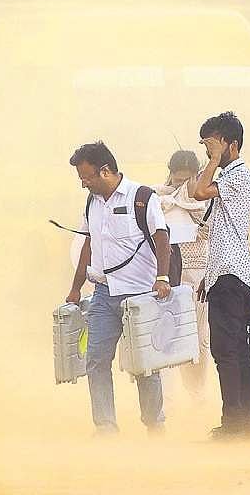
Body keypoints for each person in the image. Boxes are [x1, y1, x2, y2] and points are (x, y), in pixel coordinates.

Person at [65, 141, 171, 436]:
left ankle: (154, 424)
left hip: (140, 295)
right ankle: (106, 427)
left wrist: (162, 278)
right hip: (102, 294)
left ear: (106, 171)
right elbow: (88, 244)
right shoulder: (91, 203)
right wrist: (75, 287)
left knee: (144, 364)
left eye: (87, 177)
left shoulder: (142, 197)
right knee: (96, 360)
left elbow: (162, 239)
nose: (84, 184)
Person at [192, 112, 250, 441]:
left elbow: (197, 191)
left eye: (214, 146)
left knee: (227, 350)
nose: (209, 153)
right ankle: (243, 423)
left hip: (232, 275)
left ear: (232, 144)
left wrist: (216, 159)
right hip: (229, 273)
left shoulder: (237, 175)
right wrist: (210, 274)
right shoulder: (232, 178)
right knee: (236, 350)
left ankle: (236, 424)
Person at [153, 150, 211, 396]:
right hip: (167, 275)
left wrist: (185, 205)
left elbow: (210, 230)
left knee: (197, 339)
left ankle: (195, 394)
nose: (181, 186)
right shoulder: (157, 198)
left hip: (196, 275)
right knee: (165, 336)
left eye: (186, 180)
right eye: (177, 181)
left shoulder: (206, 198)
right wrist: (172, 199)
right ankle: (166, 397)